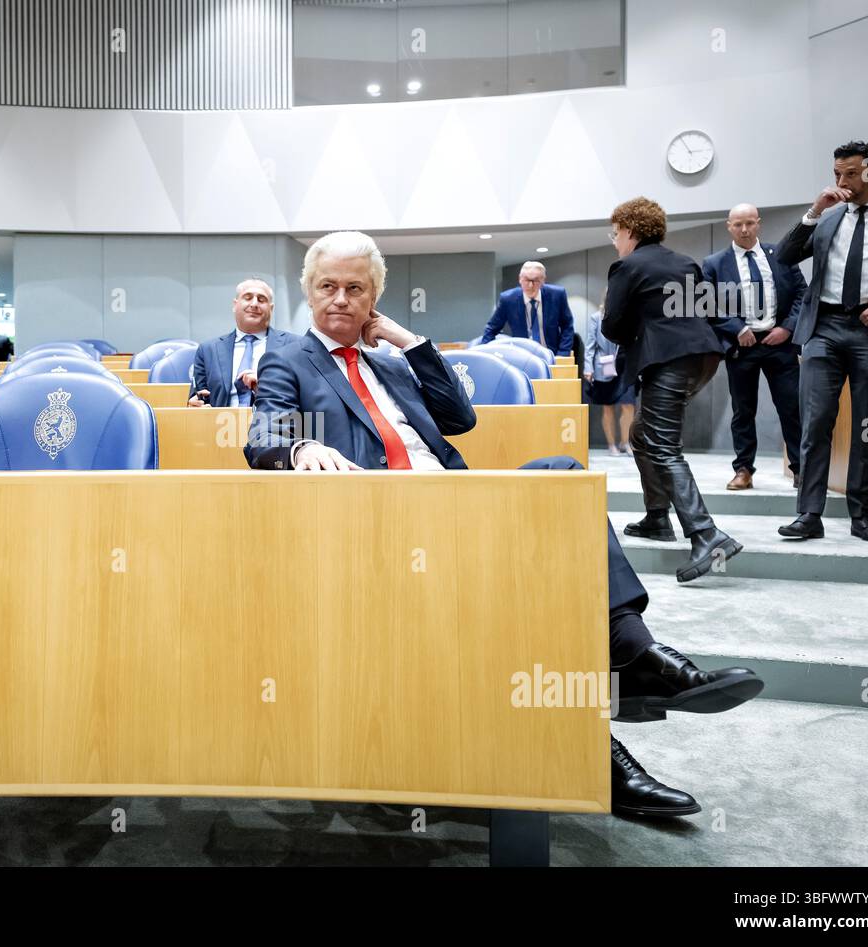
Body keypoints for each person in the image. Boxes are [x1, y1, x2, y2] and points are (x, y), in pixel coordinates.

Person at [245, 230, 763, 818]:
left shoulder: (388, 360)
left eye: (355, 288)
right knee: (519, 608)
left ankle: (631, 649)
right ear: (309, 292)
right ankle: (607, 738)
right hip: (383, 525)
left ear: (374, 299)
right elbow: (264, 433)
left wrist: (406, 340)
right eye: (327, 287)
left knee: (564, 475)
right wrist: (299, 447)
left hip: (457, 503)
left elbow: (459, 419)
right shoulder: (288, 357)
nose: (340, 299)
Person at [776, 141, 868, 545]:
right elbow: (785, 256)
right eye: (838, 173)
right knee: (816, 421)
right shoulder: (830, 216)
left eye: (852, 173)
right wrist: (814, 211)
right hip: (823, 329)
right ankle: (808, 514)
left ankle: (863, 516)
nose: (843, 181)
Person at [602, 197, 741, 584]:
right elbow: (705, 311)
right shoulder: (685, 262)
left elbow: (612, 326)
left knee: (662, 445)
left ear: (630, 231)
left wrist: (632, 324)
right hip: (702, 360)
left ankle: (706, 534)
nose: (615, 242)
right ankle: (657, 517)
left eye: (616, 234)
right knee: (641, 435)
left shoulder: (627, 266)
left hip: (668, 361)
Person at [703, 204, 807, 492]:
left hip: (780, 343)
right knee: (743, 411)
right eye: (738, 224)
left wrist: (786, 327)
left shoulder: (782, 255)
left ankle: (800, 470)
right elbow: (707, 302)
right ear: (729, 226)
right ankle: (744, 470)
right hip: (742, 347)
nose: (745, 229)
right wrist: (738, 329)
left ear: (759, 224)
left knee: (791, 408)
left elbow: (802, 293)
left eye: (750, 223)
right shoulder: (714, 263)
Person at [188, 278, 298, 407]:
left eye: (261, 299)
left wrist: (263, 387)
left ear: (271, 308)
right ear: (235, 305)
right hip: (221, 423)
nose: (254, 304)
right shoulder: (208, 350)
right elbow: (196, 398)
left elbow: (304, 394)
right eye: (248, 298)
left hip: (274, 422)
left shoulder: (294, 346)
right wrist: (194, 405)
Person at [480, 260, 575, 356]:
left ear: (543, 280)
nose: (530, 285)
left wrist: (562, 354)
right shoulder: (508, 299)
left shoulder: (557, 295)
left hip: (551, 354)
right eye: (527, 280)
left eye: (536, 280)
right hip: (522, 357)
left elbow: (567, 326)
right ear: (520, 279)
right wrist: (485, 354)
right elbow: (491, 329)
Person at [584, 293, 636, 455]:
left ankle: (625, 443)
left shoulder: (630, 316)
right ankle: (611, 445)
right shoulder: (596, 318)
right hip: (605, 364)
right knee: (608, 407)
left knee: (629, 406)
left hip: (626, 365)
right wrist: (588, 367)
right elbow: (590, 345)